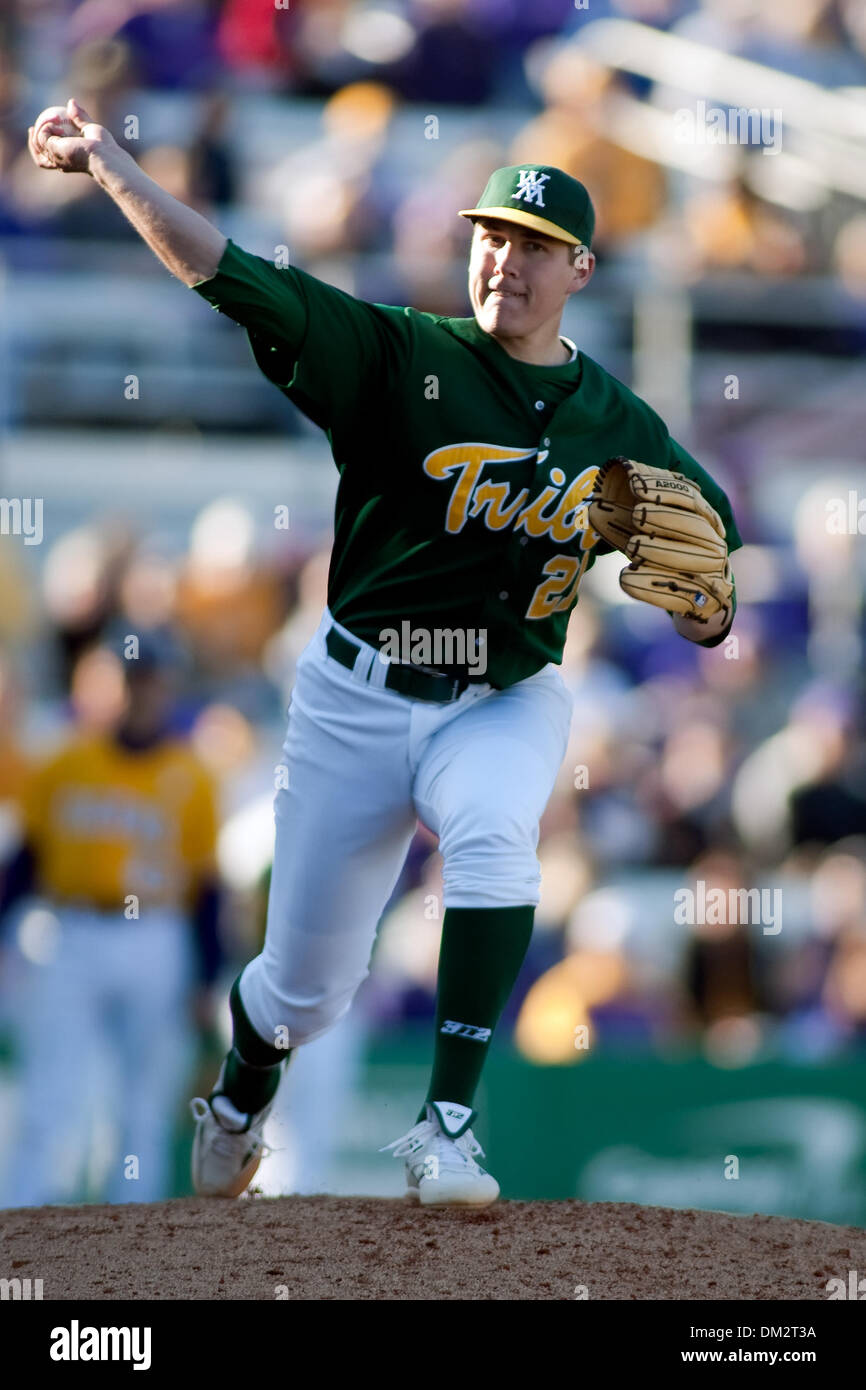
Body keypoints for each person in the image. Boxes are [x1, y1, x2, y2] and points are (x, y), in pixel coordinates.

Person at [28, 100, 741, 1207]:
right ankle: (237, 1098)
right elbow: (230, 273)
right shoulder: (401, 353)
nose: (505, 261)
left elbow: (711, 570)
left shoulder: (619, 423)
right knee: (301, 993)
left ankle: (445, 1127)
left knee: (496, 840)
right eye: (491, 236)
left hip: (501, 697)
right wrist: (115, 164)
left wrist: (705, 614)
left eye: (535, 246)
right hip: (355, 692)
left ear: (581, 270)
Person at [0, 630, 221, 1206]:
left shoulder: (192, 776)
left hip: (156, 934)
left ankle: (131, 1236)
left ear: (168, 688)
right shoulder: (67, 762)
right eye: (133, 679)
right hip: (72, 930)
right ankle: (21, 1219)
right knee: (50, 1088)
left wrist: (206, 978)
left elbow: (207, 888)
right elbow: (27, 861)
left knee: (144, 1100)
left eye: (151, 680)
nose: (141, 692)